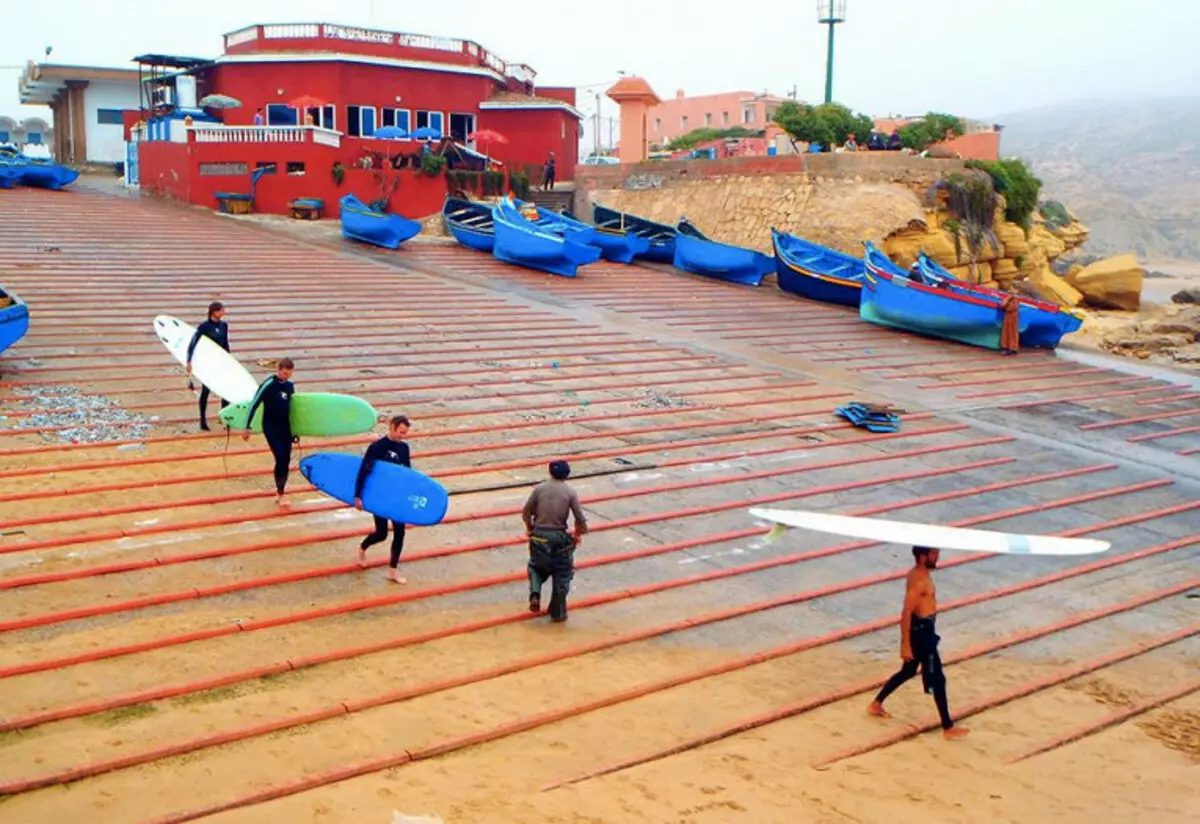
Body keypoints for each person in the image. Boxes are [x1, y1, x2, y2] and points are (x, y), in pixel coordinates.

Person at [868, 546, 969, 739]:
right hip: (922, 634)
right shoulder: (919, 581)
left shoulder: (916, 574)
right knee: (938, 679)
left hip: (924, 629)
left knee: (908, 671)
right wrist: (905, 644)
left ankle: (876, 703)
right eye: (933, 554)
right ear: (923, 557)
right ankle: (948, 727)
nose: (937, 556)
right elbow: (906, 612)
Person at [522, 460, 587, 622]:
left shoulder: (539, 489)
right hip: (558, 536)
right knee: (562, 573)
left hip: (538, 536)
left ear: (550, 472)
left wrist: (530, 528)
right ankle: (557, 612)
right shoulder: (570, 492)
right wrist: (578, 535)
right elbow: (580, 519)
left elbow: (526, 512)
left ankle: (535, 592)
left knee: (536, 566)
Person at [354, 414, 413, 584]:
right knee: (381, 534)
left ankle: (393, 570)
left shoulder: (404, 448)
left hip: (396, 495)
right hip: (379, 495)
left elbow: (407, 473)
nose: (403, 436)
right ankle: (362, 548)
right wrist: (358, 495)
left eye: (405, 433)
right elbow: (364, 471)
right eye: (401, 432)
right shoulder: (377, 447)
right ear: (392, 427)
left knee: (400, 533)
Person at [242, 358, 296, 508]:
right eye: (284, 373)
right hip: (271, 427)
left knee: (286, 459)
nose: (286, 377)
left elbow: (292, 410)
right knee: (280, 456)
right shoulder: (268, 385)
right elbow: (254, 404)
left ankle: (281, 491)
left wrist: (295, 430)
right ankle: (281, 493)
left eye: (289, 374)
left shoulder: (290, 386)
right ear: (278, 369)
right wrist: (247, 427)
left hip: (285, 427)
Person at [186, 301, 231, 431]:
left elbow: (225, 344)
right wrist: (189, 361)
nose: (223, 313)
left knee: (225, 391)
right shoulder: (204, 327)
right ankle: (202, 420)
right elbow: (193, 343)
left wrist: (230, 360)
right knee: (206, 391)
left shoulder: (224, 326)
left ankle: (225, 418)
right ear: (214, 312)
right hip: (208, 364)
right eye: (221, 311)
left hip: (220, 362)